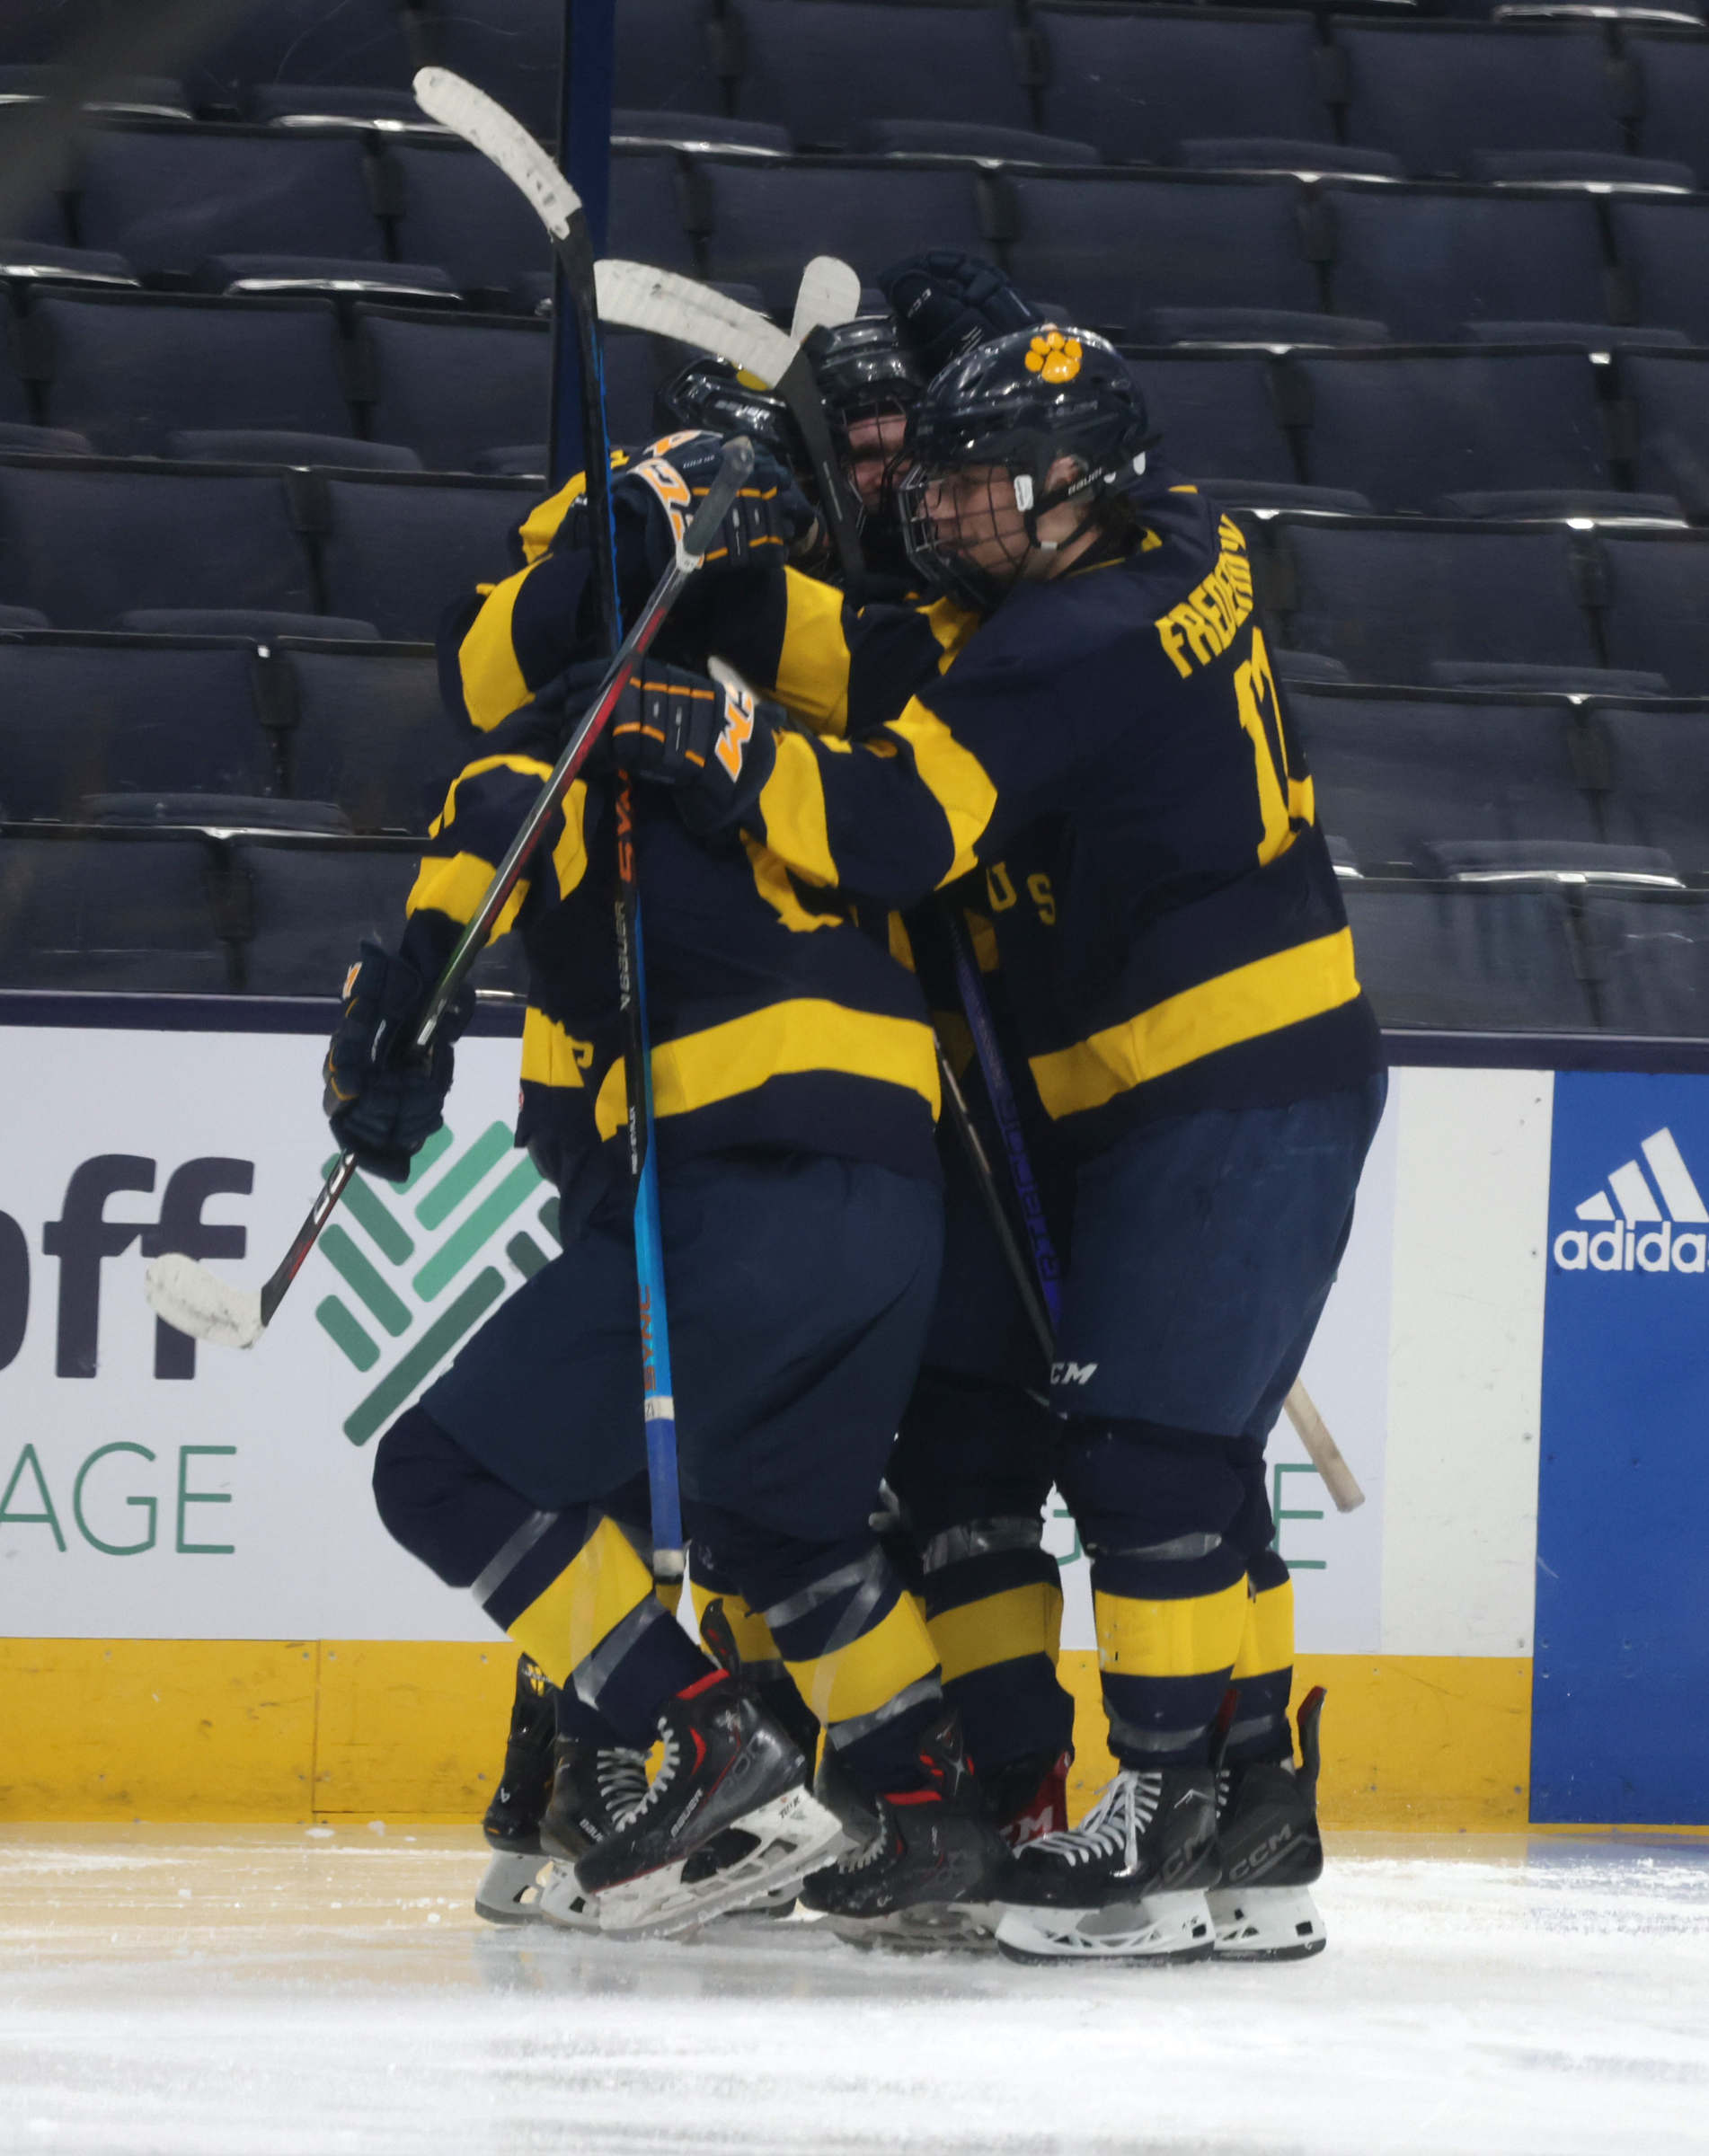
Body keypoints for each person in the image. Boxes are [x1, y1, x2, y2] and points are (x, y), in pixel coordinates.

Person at [609, 325, 1386, 1964]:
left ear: (1070, 484)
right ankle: (1256, 1818)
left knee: (1146, 1459)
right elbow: (924, 656)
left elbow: (894, 827)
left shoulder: (1065, 650)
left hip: (1219, 1076)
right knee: (1184, 1457)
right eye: (939, 479)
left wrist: (733, 745)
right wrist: (761, 598)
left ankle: (1165, 1822)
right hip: (1222, 1072)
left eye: (978, 486)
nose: (946, 513)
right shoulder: (1189, 534)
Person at [337, 428, 1011, 1938]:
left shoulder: (570, 746)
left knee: (438, 1472)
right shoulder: (810, 753)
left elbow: (465, 879)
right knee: (787, 1529)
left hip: (738, 1184)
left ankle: (690, 1724)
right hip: (895, 1202)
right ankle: (922, 1806)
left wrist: (388, 1040)